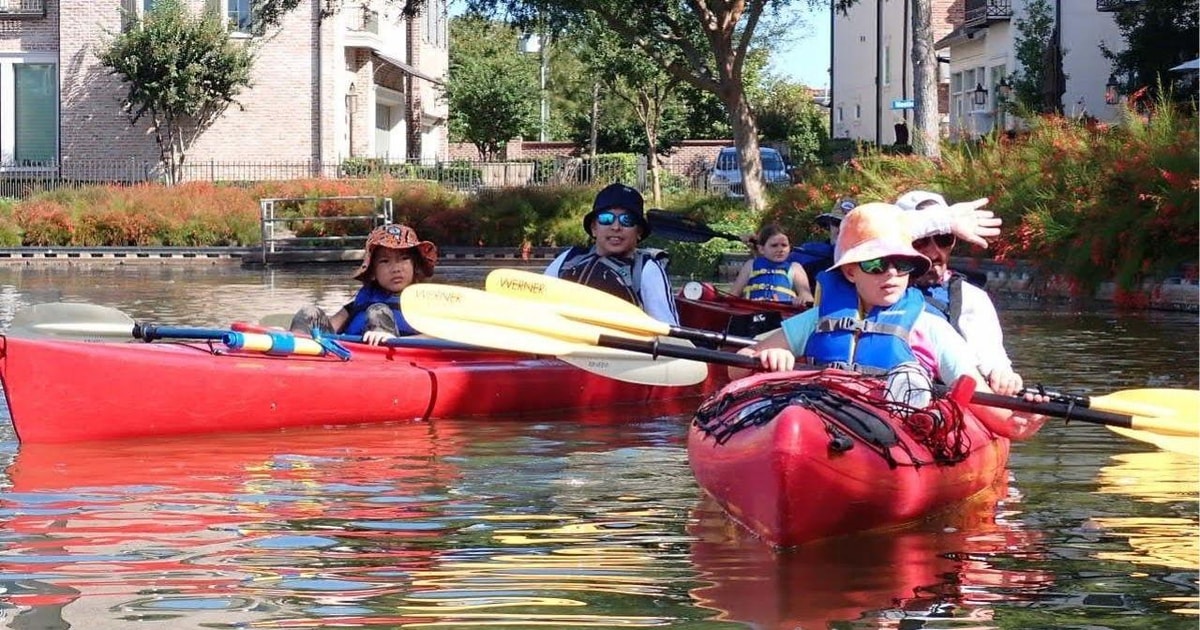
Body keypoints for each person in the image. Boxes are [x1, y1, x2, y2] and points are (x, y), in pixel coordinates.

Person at [739, 203, 1044, 439]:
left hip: (897, 431)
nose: (891, 275)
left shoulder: (930, 327)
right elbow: (736, 364)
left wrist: (1020, 422)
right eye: (875, 265)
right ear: (849, 272)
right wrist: (767, 356)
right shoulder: (817, 319)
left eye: (901, 264)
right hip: (820, 419)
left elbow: (976, 393)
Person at [896, 189, 1023, 396]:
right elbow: (877, 232)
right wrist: (944, 220)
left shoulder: (972, 297)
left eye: (944, 239)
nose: (933, 252)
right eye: (921, 241)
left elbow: (992, 356)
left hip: (948, 396)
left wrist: (1003, 375)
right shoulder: (876, 286)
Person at [544, 183, 678, 325]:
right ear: (594, 228)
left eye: (627, 220)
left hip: (623, 345)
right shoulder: (568, 259)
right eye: (606, 218)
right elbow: (541, 305)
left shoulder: (647, 269)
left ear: (638, 232)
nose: (616, 227)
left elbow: (668, 331)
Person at [289, 223, 437, 345]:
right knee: (309, 313)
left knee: (378, 311)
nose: (396, 268)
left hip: (395, 357)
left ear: (415, 265)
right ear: (372, 270)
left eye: (404, 258)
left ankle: (383, 339)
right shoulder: (363, 298)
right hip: (350, 355)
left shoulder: (424, 300)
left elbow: (441, 336)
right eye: (385, 261)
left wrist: (397, 340)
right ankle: (295, 344)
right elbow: (331, 327)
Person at [730, 224, 814, 306]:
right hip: (751, 312)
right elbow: (732, 296)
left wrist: (801, 300)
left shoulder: (795, 268)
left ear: (789, 248)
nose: (780, 249)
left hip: (783, 314)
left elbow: (808, 298)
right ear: (761, 249)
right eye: (774, 245)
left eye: (784, 245)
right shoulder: (750, 265)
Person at [790, 196, 857, 286]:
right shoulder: (807, 252)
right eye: (836, 222)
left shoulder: (868, 261)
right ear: (829, 224)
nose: (840, 229)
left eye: (847, 225)